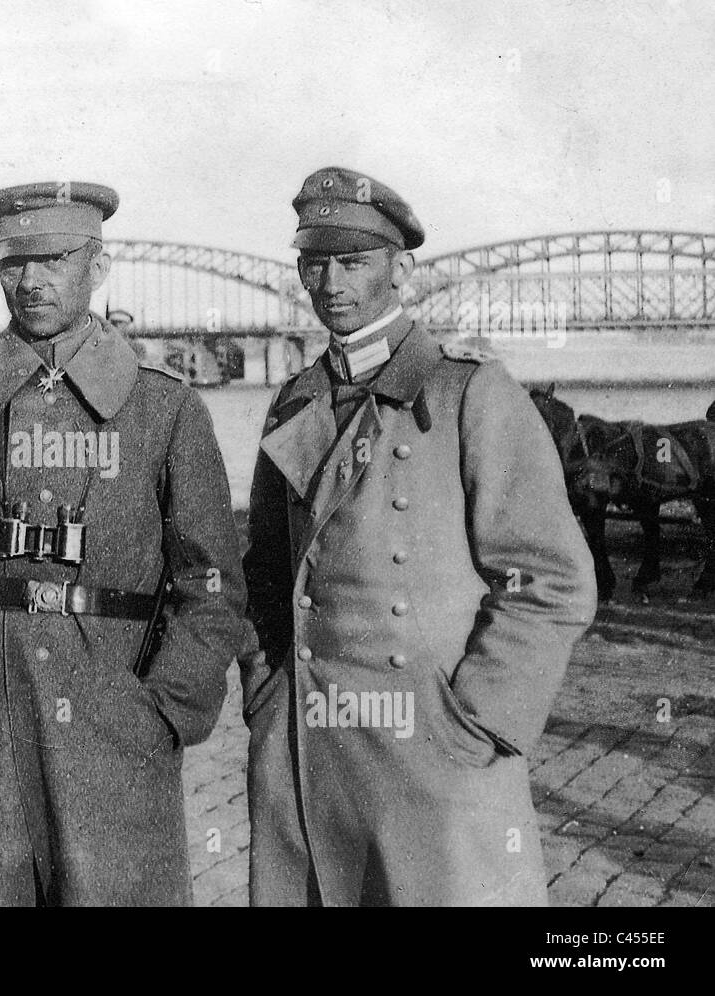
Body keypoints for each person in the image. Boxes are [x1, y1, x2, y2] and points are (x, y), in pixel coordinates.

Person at [0, 181, 250, 906]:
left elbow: (212, 585)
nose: (31, 281)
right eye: (13, 263)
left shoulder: (167, 409)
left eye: (55, 259)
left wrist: (164, 707)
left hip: (117, 727)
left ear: (98, 266)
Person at [241, 166, 598, 906]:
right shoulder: (297, 399)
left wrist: (479, 720)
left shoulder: (467, 391)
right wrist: (268, 693)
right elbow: (268, 571)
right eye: (315, 264)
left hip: (432, 752)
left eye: (353, 262)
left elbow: (550, 579)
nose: (330, 283)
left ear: (401, 270)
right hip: (311, 743)